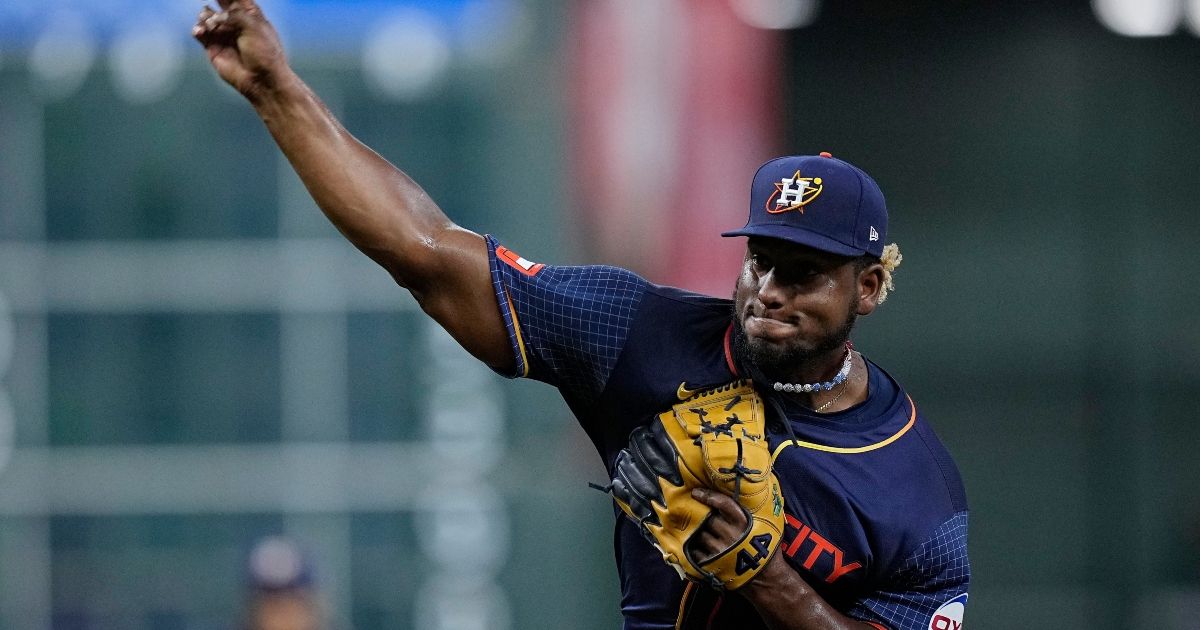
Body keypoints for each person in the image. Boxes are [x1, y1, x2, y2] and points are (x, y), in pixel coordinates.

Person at [192, 3, 969, 629]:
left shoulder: (918, 489)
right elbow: (424, 251)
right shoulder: (639, 336)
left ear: (867, 287)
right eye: (759, 261)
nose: (767, 290)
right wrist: (276, 91)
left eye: (803, 275)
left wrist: (770, 582)